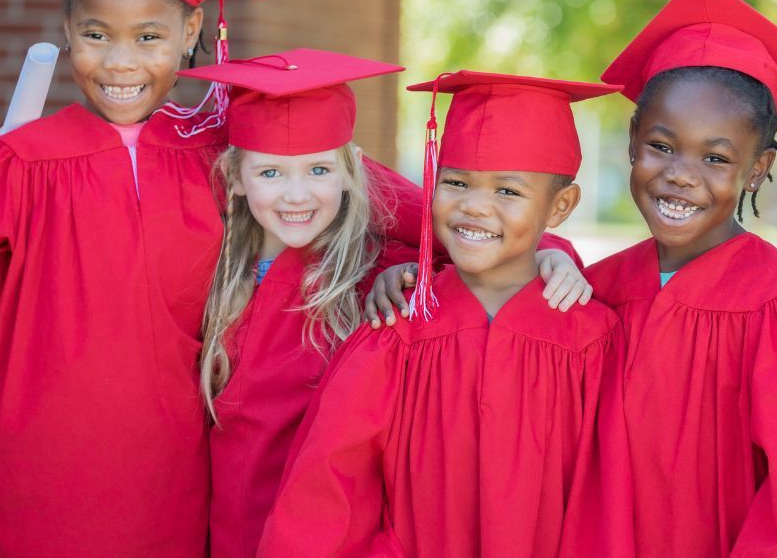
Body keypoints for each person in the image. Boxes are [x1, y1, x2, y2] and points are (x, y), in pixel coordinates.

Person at [0, 0, 257, 554]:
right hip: (47, 467)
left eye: (149, 36)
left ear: (192, 29)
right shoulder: (17, 166)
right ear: (66, 27)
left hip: (187, 465)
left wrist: (402, 273)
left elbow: (352, 218)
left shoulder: (229, 160)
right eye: (96, 34)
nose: (120, 63)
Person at [257, 71, 625, 557]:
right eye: (455, 182)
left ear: (560, 206)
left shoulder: (592, 342)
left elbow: (607, 500)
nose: (474, 207)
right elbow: (330, 488)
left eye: (508, 192)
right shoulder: (395, 330)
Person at [579, 0, 777, 556]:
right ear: (632, 139)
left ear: (759, 169)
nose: (681, 174)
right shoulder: (595, 289)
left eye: (716, 157)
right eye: (662, 145)